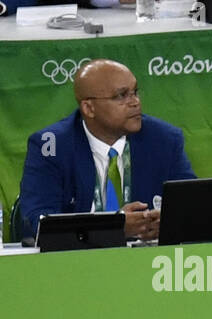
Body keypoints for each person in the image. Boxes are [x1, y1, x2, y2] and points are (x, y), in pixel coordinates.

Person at [18, 59, 194, 242]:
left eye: (135, 92)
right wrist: (113, 227)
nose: (135, 102)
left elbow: (192, 206)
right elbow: (38, 219)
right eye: (121, 96)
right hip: (76, 260)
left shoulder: (163, 139)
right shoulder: (51, 145)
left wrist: (166, 223)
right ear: (89, 108)